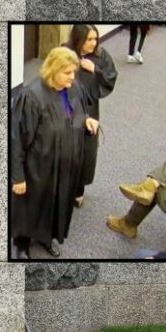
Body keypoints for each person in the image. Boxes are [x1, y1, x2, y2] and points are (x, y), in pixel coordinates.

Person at [10, 46, 100, 259]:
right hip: (38, 168)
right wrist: (18, 177)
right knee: (30, 206)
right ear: (53, 70)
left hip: (66, 166)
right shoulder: (31, 97)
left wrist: (86, 120)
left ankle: (45, 238)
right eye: (67, 72)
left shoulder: (73, 87)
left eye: (73, 72)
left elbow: (77, 113)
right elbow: (17, 139)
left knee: (56, 202)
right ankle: (21, 244)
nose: (72, 77)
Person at [63, 24, 117, 208]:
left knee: (85, 149)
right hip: (64, 107)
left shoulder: (101, 55)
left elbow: (111, 76)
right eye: (89, 39)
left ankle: (79, 189)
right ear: (78, 39)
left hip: (89, 109)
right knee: (64, 146)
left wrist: (95, 69)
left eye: (95, 39)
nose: (94, 43)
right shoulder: (65, 51)